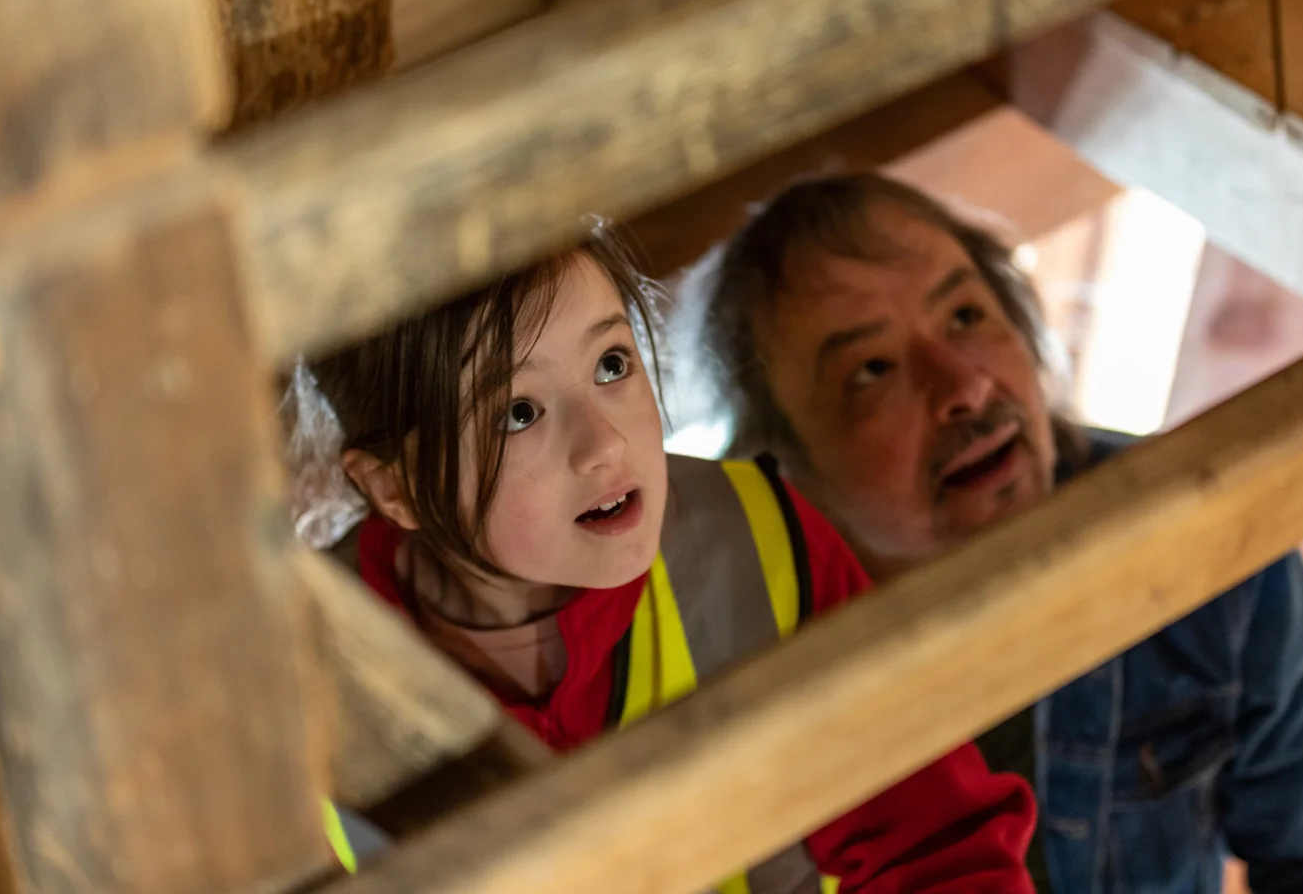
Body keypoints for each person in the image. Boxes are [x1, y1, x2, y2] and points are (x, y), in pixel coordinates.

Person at [695, 172, 1303, 894]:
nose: (964, 387)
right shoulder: (729, 652)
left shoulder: (1205, 547)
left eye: (967, 316)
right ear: (784, 465)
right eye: (871, 370)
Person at [305, 227, 1038, 893]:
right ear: (394, 487)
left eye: (612, 364)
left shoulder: (762, 541)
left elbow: (938, 845)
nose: (605, 444)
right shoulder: (305, 674)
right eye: (518, 414)